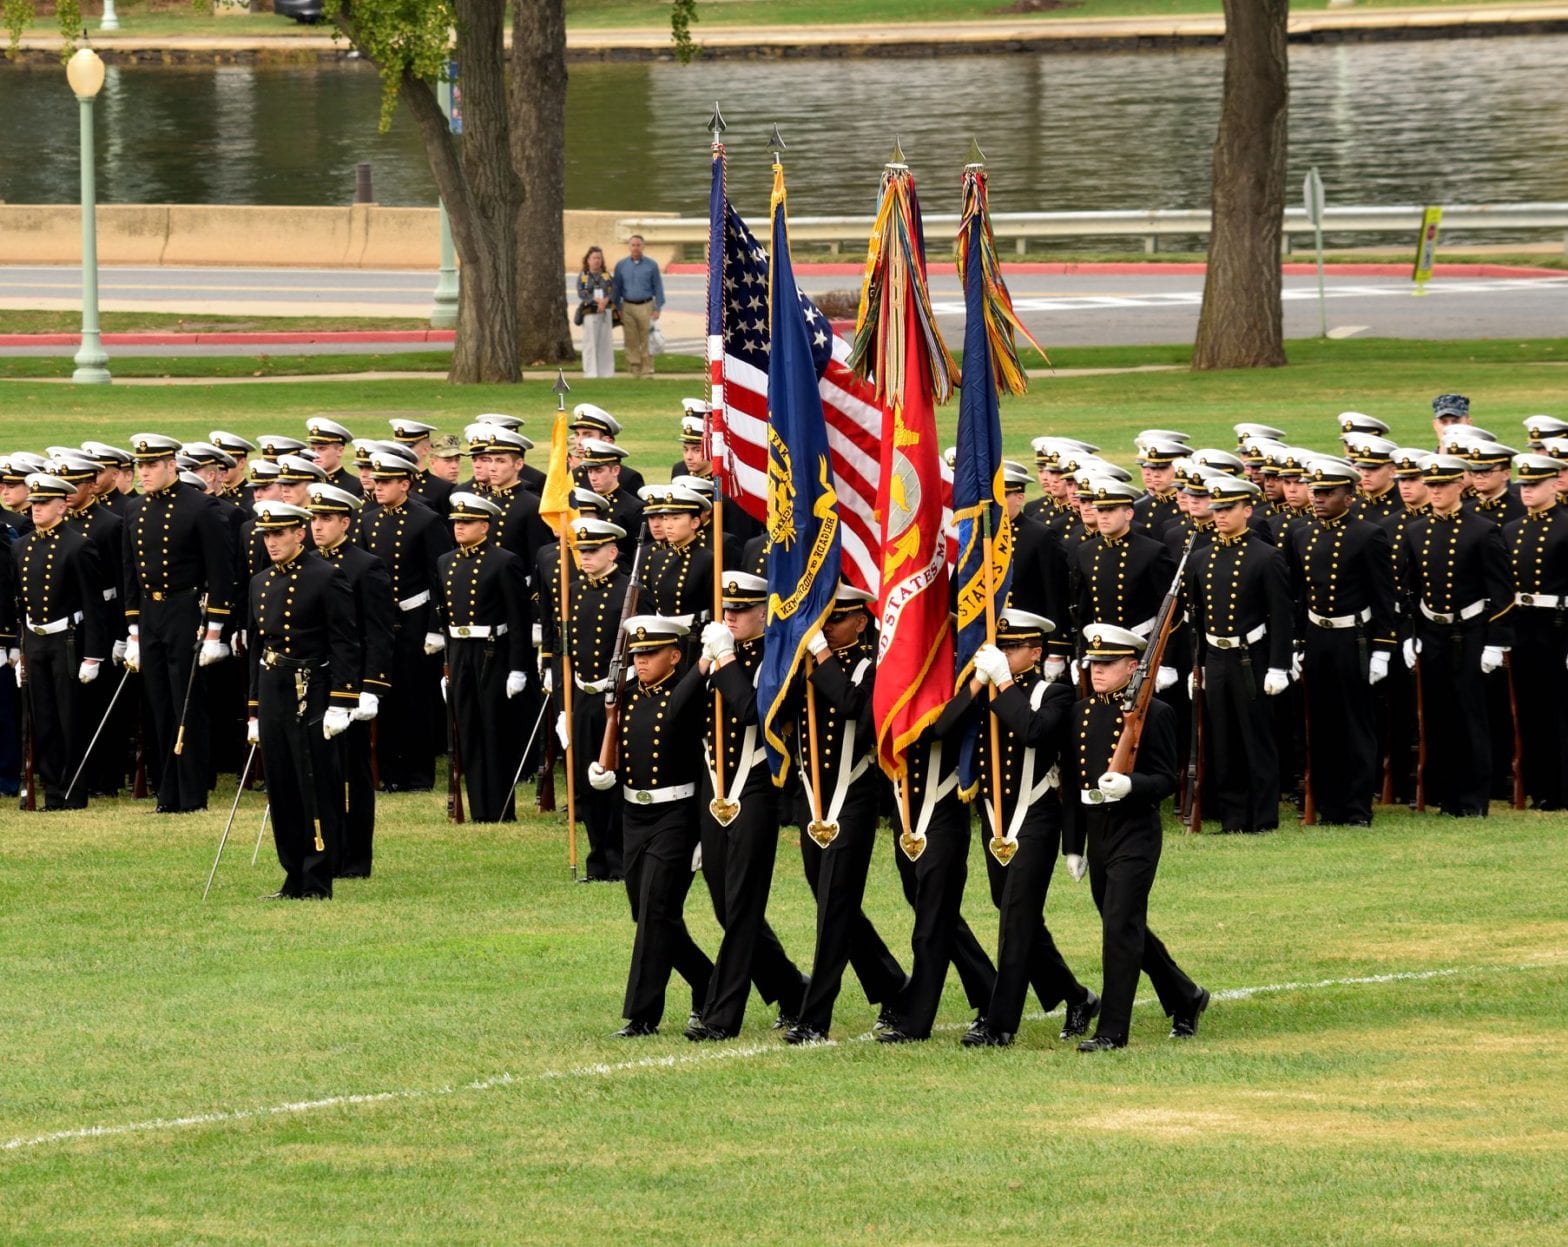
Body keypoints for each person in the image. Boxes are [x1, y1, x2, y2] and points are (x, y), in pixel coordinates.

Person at [952, 611, 1097, 1049]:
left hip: (1034, 818)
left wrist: (1004, 684)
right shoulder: (985, 692)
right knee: (1015, 912)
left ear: (1035, 652)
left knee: (1016, 919)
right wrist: (979, 683)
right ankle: (1076, 996)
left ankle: (999, 1023)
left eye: (1013, 647)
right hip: (995, 818)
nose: (1004, 653)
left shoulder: (1055, 694)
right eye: (1000, 646)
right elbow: (944, 726)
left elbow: (1033, 733)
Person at [1062, 624, 1209, 1052]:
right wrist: (1073, 844)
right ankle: (1186, 996)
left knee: (1119, 929)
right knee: (1123, 924)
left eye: (1108, 664)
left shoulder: (1155, 714)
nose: (1098, 671)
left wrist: (1130, 785)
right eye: (1094, 664)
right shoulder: (1080, 712)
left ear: (1133, 666)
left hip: (1135, 831)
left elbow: (1165, 778)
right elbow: (1071, 784)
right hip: (1097, 832)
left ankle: (1111, 1031)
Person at [685, 574, 807, 1041]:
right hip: (714, 790)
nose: (731, 616)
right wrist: (704, 663)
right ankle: (791, 989)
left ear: (764, 613)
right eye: (726, 609)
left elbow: (754, 711)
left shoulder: (774, 658)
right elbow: (681, 714)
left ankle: (721, 1015)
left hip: (756, 790)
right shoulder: (716, 653)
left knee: (742, 906)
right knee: (725, 905)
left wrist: (727, 658)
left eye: (742, 610)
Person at [785, 584, 907, 1045]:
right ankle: (894, 986)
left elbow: (858, 707)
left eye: (835, 620)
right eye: (823, 620)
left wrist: (822, 657)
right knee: (833, 904)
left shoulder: (872, 663)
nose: (827, 627)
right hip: (812, 797)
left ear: (860, 621)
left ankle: (814, 1019)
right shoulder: (805, 659)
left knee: (834, 907)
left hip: (851, 797)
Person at [587, 615, 712, 1037]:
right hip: (634, 816)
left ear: (675, 656)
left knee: (657, 908)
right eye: (637, 653)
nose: (642, 661)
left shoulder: (688, 694)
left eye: (652, 653)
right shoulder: (626, 695)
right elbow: (615, 742)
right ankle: (706, 980)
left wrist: (700, 831)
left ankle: (642, 1015)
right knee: (649, 914)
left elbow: (700, 758)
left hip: (676, 816)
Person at [245, 501, 360, 900]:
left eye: (280, 534)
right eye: (267, 535)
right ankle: (292, 874)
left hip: (312, 686)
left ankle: (317, 877)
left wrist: (341, 701)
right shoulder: (260, 581)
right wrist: (254, 710)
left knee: (314, 784)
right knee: (281, 786)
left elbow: (345, 642)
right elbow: (258, 648)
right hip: (274, 685)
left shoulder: (326, 576)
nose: (272, 542)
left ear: (300, 532)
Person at [121, 433, 237, 814]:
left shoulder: (200, 507)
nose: (145, 472)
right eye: (141, 465)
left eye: (152, 465)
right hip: (151, 615)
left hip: (186, 610)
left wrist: (216, 630)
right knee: (157, 704)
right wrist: (134, 630)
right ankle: (166, 790)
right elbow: (131, 575)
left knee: (187, 703)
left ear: (172, 464)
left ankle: (192, 792)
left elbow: (221, 573)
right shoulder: (135, 510)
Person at [1398, 453, 1514, 818]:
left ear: (1459, 485)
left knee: (1471, 714)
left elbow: (1502, 592)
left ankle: (1472, 798)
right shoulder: (1416, 532)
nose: (1435, 492)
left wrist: (1496, 641)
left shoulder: (1482, 530)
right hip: (1433, 633)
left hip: (1471, 631)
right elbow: (1407, 591)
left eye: (1442, 485)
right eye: (1430, 485)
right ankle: (1446, 796)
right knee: (1438, 714)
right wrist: (1408, 634)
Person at [1286, 460, 1397, 827]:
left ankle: (1356, 808)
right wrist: (1298, 642)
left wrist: (1382, 647)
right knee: (1321, 722)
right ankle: (1328, 803)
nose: (1318, 498)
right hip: (1319, 637)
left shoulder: (1368, 535)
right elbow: (1299, 594)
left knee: (1355, 724)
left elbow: (1384, 596)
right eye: (1315, 492)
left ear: (1349, 496)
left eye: (1327, 492)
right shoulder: (1301, 533)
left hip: (1355, 637)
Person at [1187, 476, 1294, 834]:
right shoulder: (1202, 558)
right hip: (1217, 658)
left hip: (1253, 656)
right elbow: (1198, 619)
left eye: (1228, 508)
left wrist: (1278, 666)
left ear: (1248, 510)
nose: (1220, 515)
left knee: (1256, 738)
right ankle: (1233, 817)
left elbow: (1281, 615)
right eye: (1216, 508)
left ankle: (1263, 818)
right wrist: (1198, 664)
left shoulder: (1266, 555)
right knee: (1223, 740)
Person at [308, 483, 394, 878]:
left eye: (326, 519)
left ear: (345, 521)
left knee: (351, 772)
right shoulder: (307, 563)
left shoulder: (365, 565)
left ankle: (354, 857)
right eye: (313, 519)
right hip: (312, 678)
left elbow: (377, 631)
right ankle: (324, 846)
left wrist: (371, 687)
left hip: (350, 682)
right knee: (318, 770)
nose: (317, 527)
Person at [10, 473, 110, 812]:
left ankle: (73, 790)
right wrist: (16, 649)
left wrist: (93, 656)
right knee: (44, 719)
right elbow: (18, 604)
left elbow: (94, 606)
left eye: (43, 504)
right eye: (34, 503)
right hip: (35, 642)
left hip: (67, 641)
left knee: (70, 720)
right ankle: (52, 788)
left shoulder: (78, 545)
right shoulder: (20, 546)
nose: (36, 509)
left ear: (62, 505)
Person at [356, 449, 455, 792]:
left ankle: (417, 774)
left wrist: (435, 627)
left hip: (415, 619)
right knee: (385, 696)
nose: (377, 487)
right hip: (382, 621)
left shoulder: (426, 520)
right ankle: (388, 770)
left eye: (385, 482)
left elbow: (439, 578)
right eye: (376, 480)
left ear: (406, 483)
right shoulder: (369, 520)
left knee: (415, 700)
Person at [539, 517, 629, 882]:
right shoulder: (572, 591)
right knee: (585, 783)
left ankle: (620, 859)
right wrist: (564, 705)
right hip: (582, 697)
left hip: (617, 697)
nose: (585, 558)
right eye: (581, 552)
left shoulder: (630, 592)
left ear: (612, 552)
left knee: (615, 782)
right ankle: (596, 858)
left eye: (592, 552)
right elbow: (566, 654)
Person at [436, 492, 533, 823]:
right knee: (468, 728)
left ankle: (501, 808)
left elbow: (518, 619)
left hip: (493, 651)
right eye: (456, 522)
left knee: (494, 729)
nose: (459, 528)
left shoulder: (504, 561)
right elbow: (446, 617)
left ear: (485, 526)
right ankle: (478, 806)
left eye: (466, 522)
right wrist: (445, 667)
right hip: (460, 651)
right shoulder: (446, 562)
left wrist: (518, 668)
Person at [1503, 453, 1568, 809]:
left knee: (1557, 709)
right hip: (1522, 626)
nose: (1526, 491)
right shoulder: (1513, 529)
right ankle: (1537, 784)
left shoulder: (1565, 526)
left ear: (1554, 484)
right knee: (1528, 709)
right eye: (1524, 485)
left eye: (1534, 485)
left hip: (1557, 626)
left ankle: (1560, 787)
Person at [610, 233, 665, 379]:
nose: (635, 248)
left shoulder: (651, 265)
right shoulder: (621, 266)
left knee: (646, 338)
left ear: (643, 246)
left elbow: (658, 287)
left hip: (646, 305)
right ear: (629, 247)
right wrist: (617, 308)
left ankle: (647, 369)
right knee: (631, 339)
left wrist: (658, 307)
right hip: (627, 306)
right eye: (633, 245)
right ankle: (634, 368)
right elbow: (617, 288)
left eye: (638, 245)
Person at [576, 245, 616, 378]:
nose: (597, 261)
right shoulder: (584, 276)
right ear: (588, 260)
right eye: (594, 258)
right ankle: (590, 372)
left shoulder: (606, 275)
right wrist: (596, 301)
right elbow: (582, 293)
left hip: (605, 311)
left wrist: (605, 301)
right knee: (590, 343)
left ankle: (606, 372)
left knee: (605, 343)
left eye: (599, 258)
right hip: (590, 312)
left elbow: (612, 290)